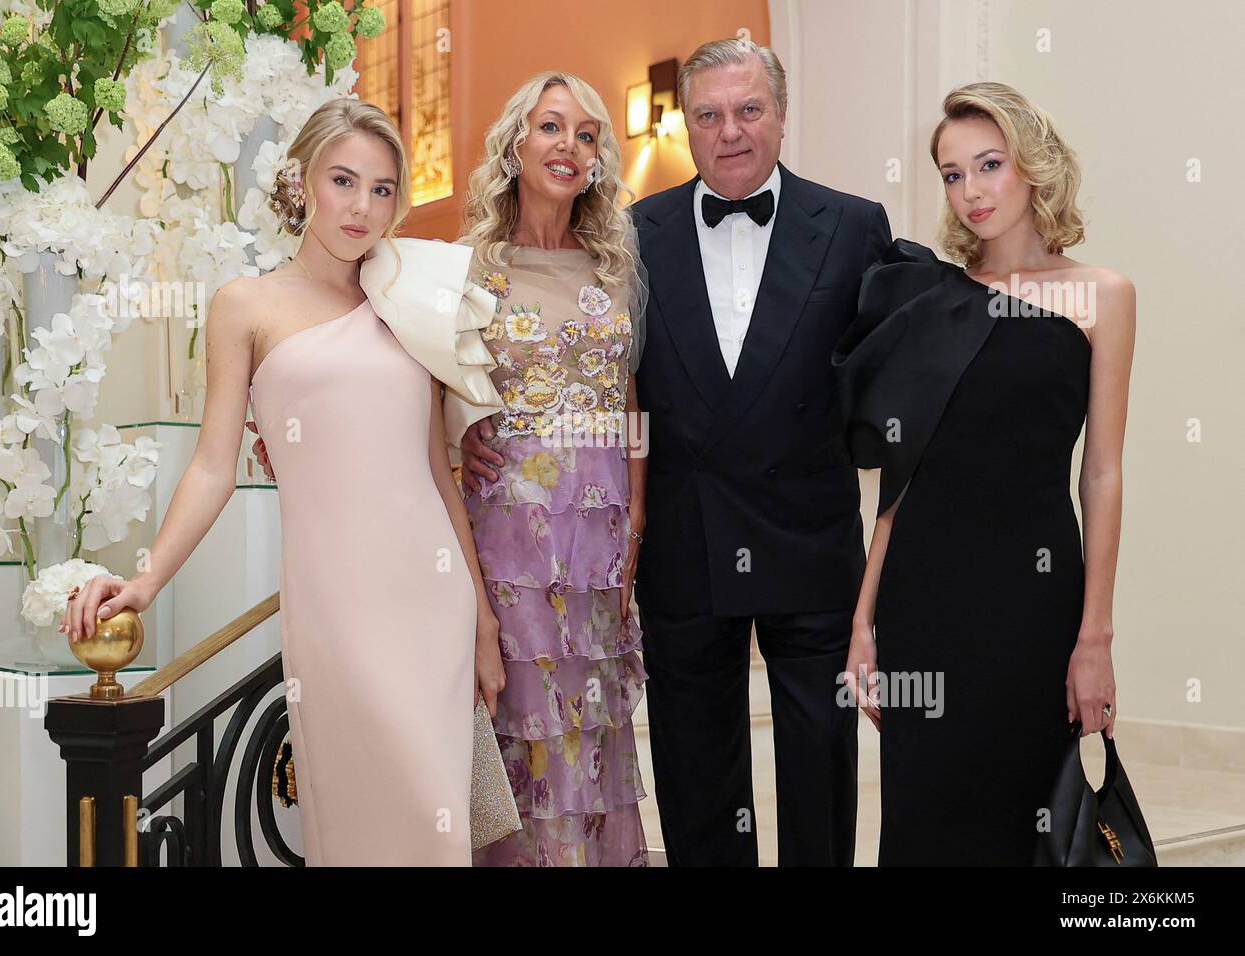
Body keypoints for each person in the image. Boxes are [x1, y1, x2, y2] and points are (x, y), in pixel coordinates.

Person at [462, 39, 893, 867]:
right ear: (685, 125)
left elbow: (892, 371)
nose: (730, 131)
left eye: (748, 110)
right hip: (683, 548)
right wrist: (468, 423)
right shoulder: (631, 237)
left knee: (820, 775)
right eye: (709, 114)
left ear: (780, 113)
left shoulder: (853, 225)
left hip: (810, 545)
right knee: (697, 782)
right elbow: (616, 384)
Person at [61, 99, 504, 866]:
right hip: (337, 608)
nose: (363, 206)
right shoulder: (247, 306)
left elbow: (437, 470)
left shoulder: (405, 304)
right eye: (344, 180)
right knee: (365, 816)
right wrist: (146, 578)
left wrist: (484, 622)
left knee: (435, 825)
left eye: (383, 188)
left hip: (432, 600)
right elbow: (212, 466)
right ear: (302, 183)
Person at [835, 82, 1135, 865]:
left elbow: (1101, 472)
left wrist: (1094, 637)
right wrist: (863, 625)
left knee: (1027, 816)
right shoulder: (932, 299)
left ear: (1032, 167)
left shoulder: (1102, 296)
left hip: (1032, 606)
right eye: (950, 173)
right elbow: (902, 479)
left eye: (988, 165)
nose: (969, 191)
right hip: (924, 602)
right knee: (924, 818)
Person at [450, 72, 651, 867]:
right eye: (550, 127)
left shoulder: (615, 266)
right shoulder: (466, 267)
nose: (568, 146)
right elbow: (430, 389)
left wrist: (638, 510)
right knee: (521, 719)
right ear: (516, 143)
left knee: (590, 725)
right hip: (509, 535)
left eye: (587, 134)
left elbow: (631, 396)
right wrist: (458, 430)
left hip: (601, 539)